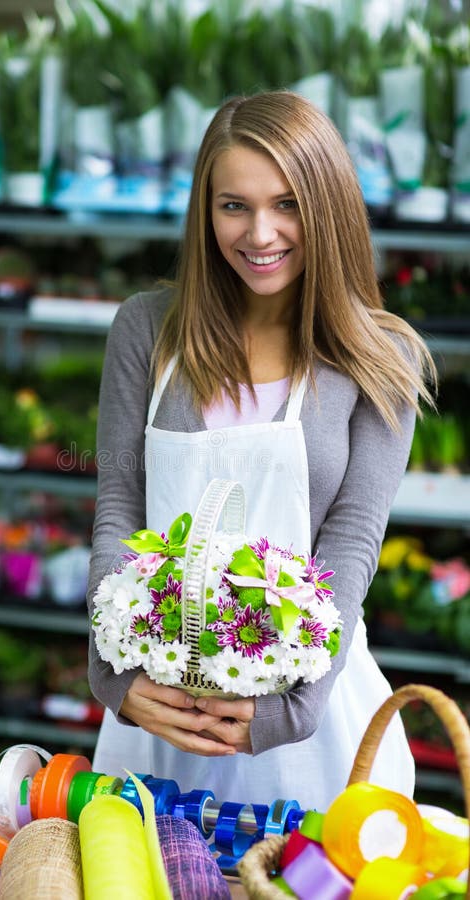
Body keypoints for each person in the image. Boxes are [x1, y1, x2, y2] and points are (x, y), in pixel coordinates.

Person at [86, 90, 437, 812]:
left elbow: (351, 541)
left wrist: (289, 710)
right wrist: (111, 676)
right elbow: (120, 504)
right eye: (233, 206)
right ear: (204, 210)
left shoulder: (379, 356)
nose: (260, 233)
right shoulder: (147, 331)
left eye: (287, 204)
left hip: (316, 724)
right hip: (162, 715)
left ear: (328, 206)